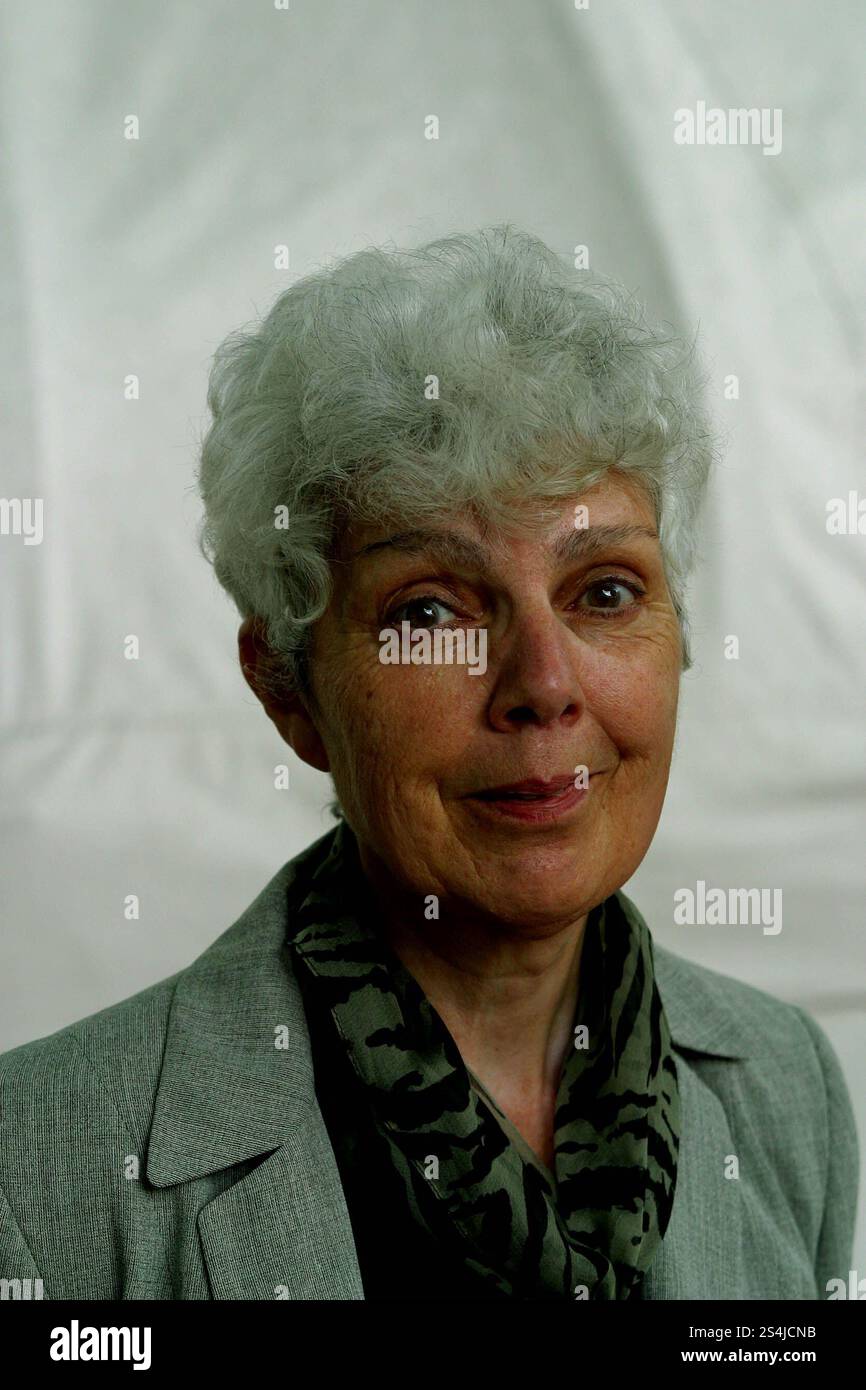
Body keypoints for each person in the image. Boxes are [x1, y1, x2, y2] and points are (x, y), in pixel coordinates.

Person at [0, 226, 858, 1300]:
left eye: (602, 589)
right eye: (430, 610)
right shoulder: (37, 1172)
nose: (543, 682)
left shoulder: (789, 1092)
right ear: (288, 690)